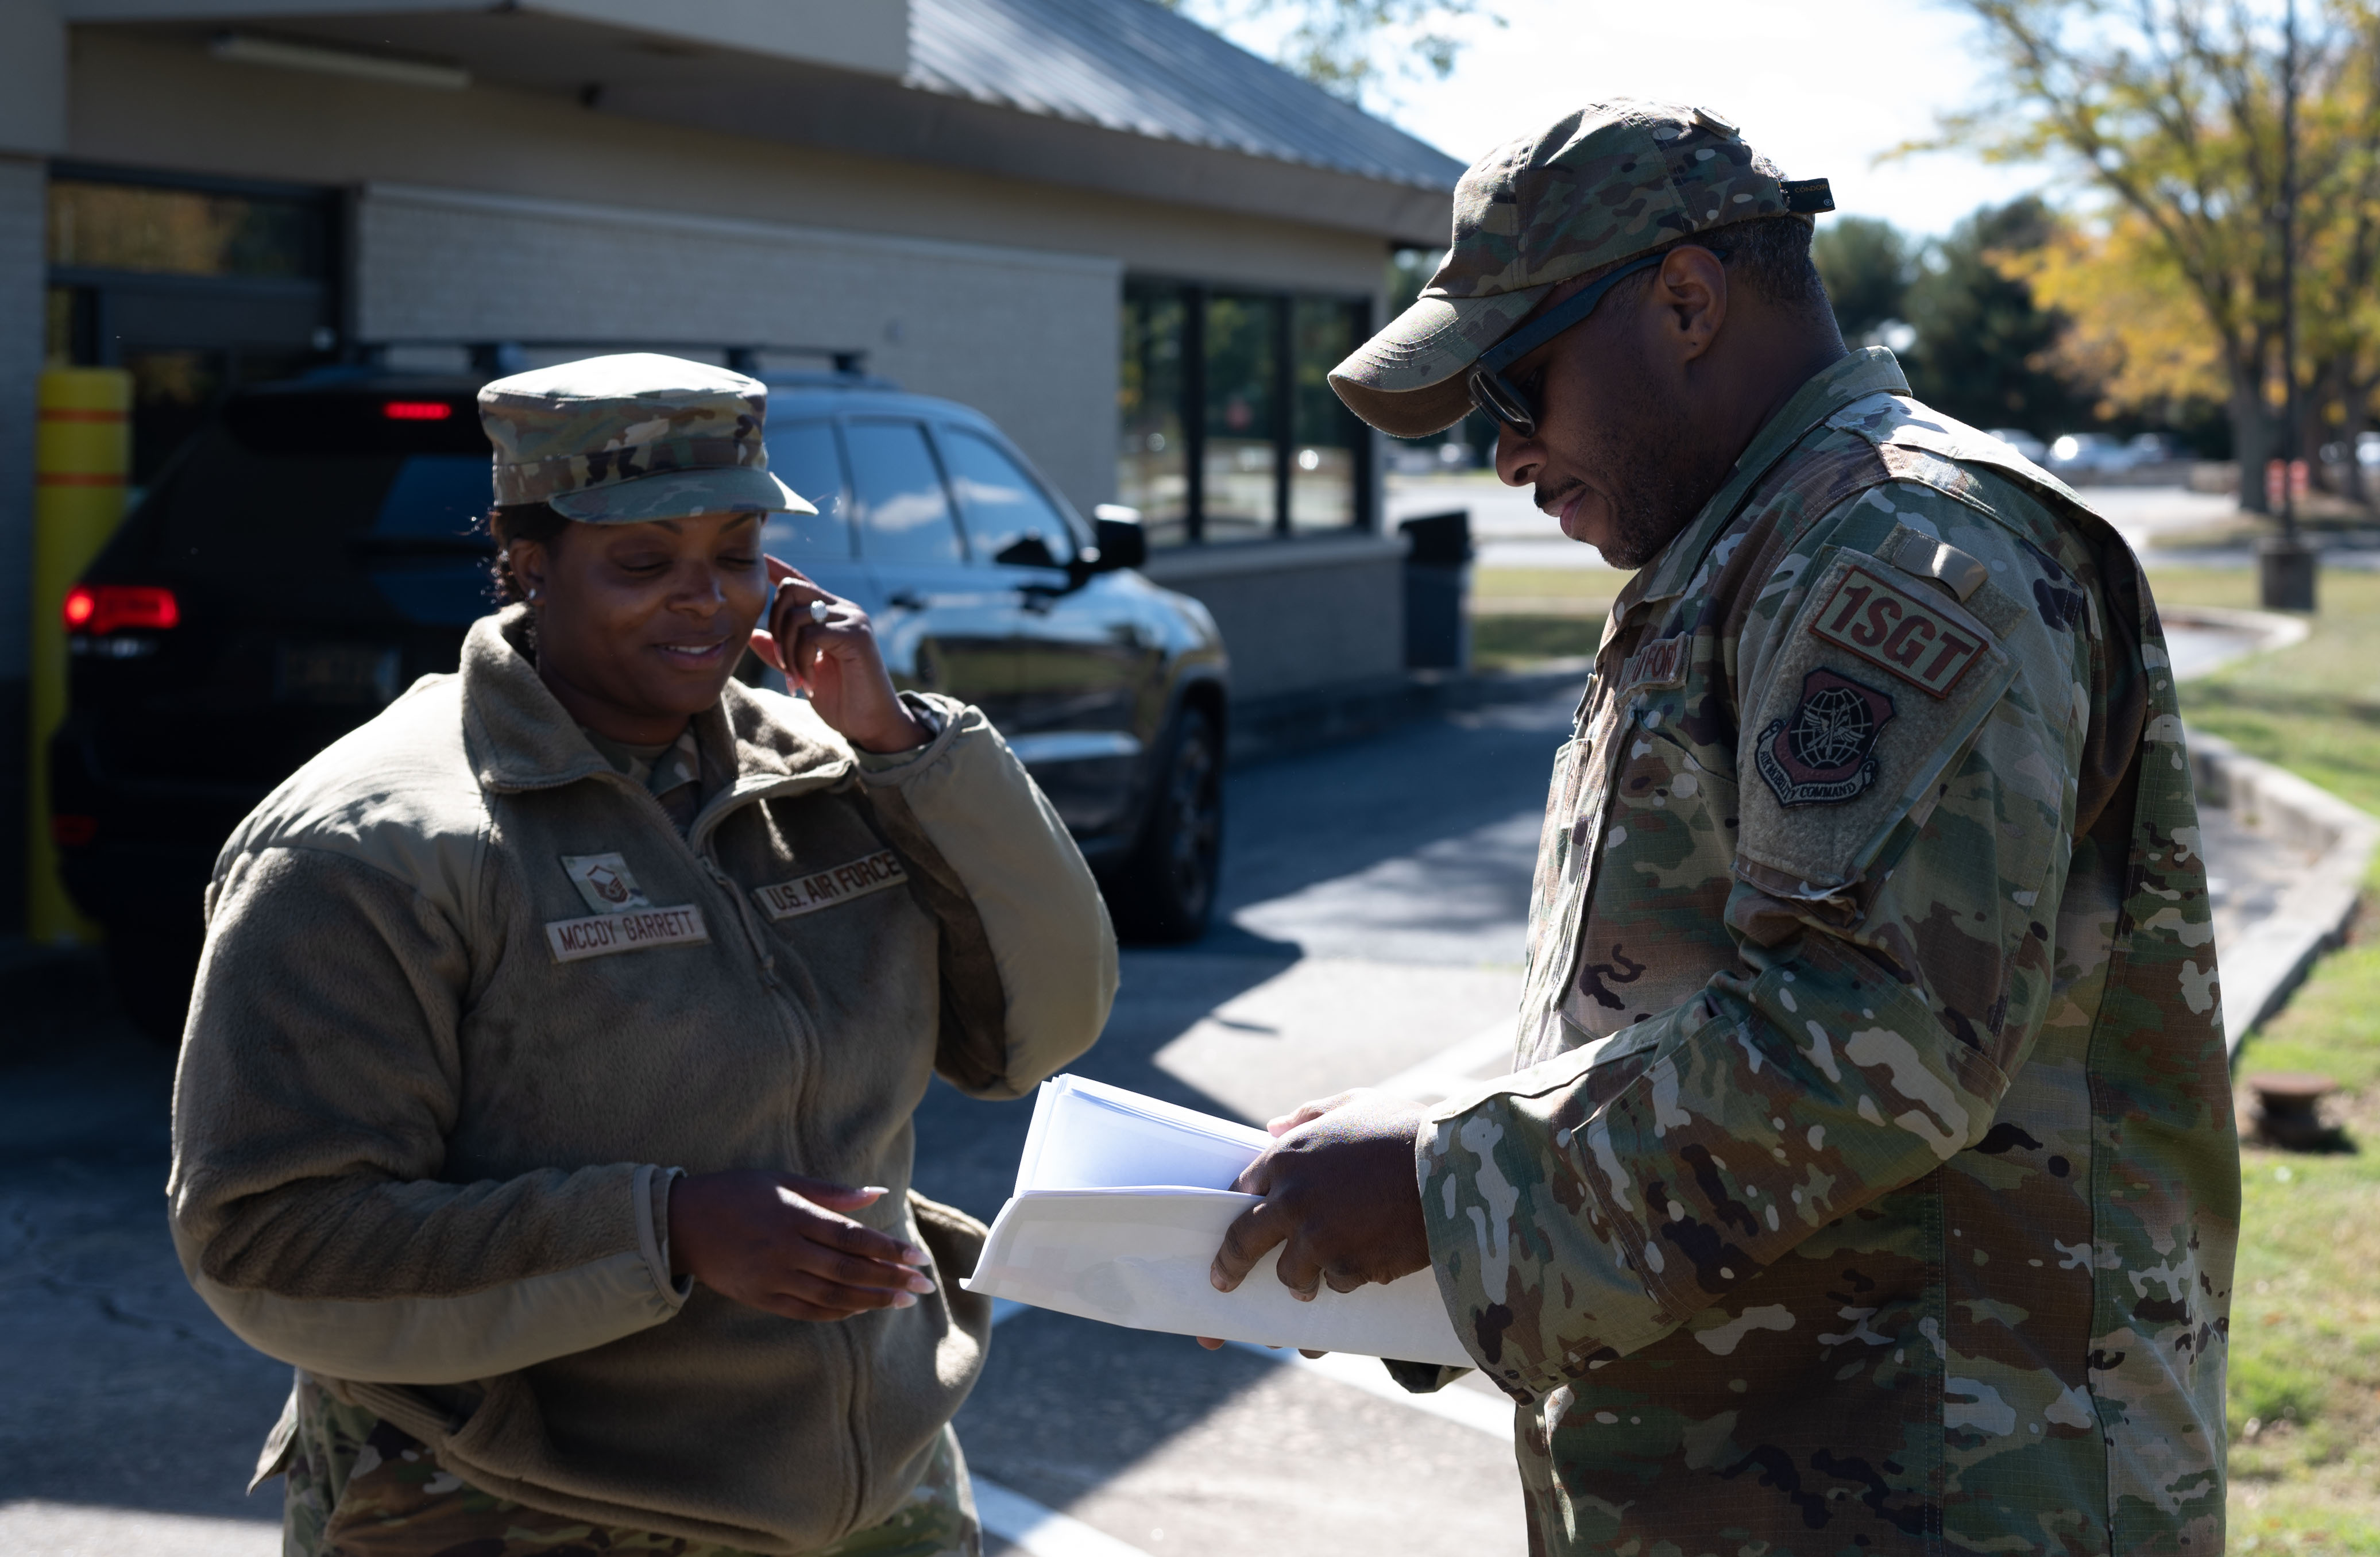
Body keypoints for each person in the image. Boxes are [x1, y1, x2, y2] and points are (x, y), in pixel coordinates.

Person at [1202, 103, 2236, 1554]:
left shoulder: (1894, 545)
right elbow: (1674, 996)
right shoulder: (1751, 546)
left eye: (1517, 386)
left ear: (1684, 301)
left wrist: (1443, 1189)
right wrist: (1410, 1148)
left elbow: (1869, 1041)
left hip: (1940, 1491)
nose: (1506, 456)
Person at [167, 353, 1118, 1556]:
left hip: (878, 1492)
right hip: (515, 1504)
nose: (704, 601)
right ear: (527, 563)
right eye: (641, 562)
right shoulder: (377, 846)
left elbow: (1039, 1027)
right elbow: (271, 1243)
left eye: (733, 554)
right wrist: (662, 1230)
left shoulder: (825, 770)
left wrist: (906, 748)